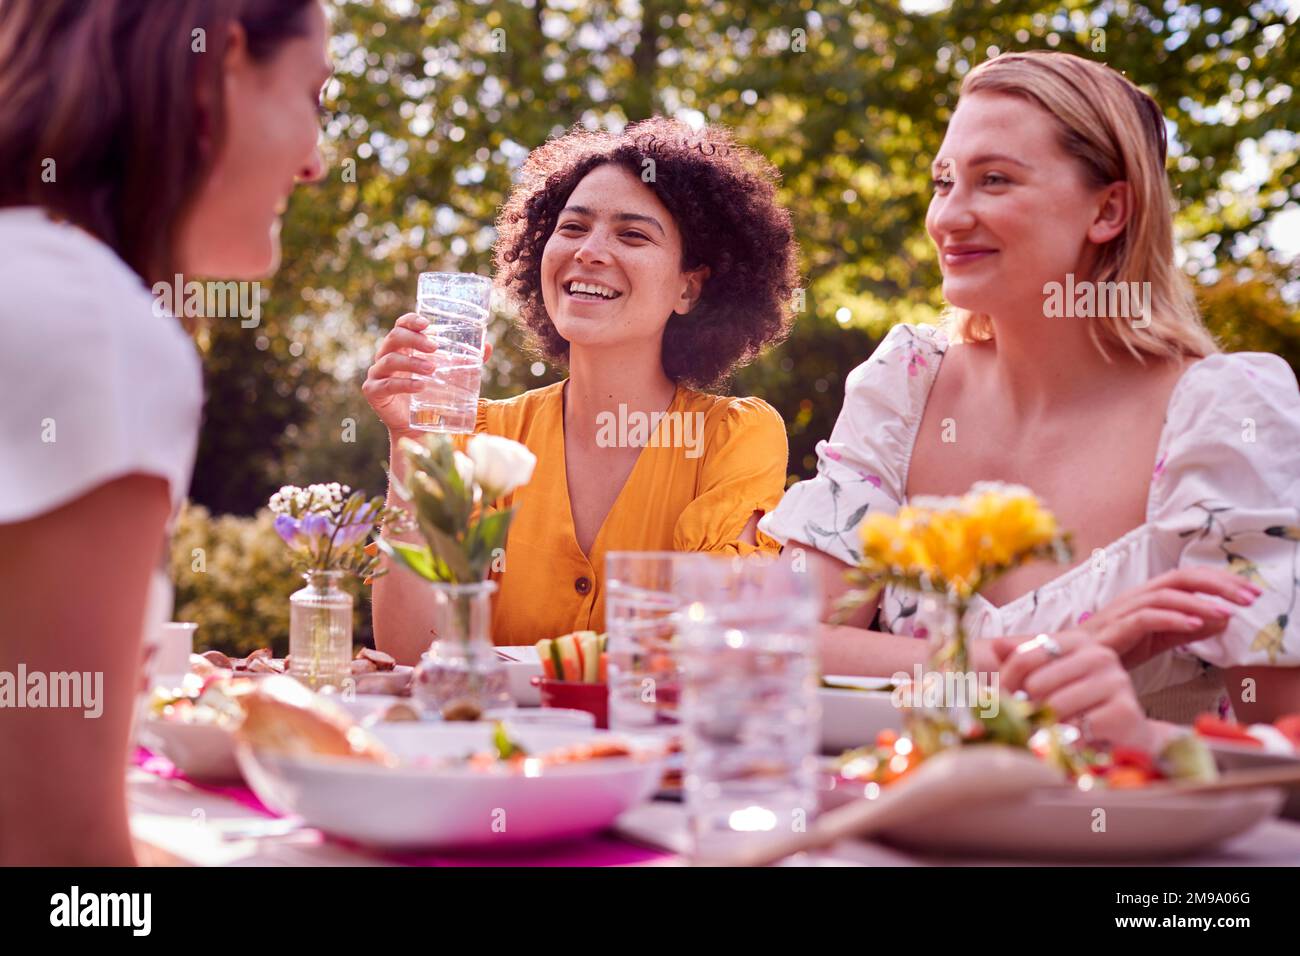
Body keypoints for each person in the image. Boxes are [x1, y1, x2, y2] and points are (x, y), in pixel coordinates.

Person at [758, 50, 1300, 736]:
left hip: (1138, 831)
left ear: (1109, 209)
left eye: (994, 180)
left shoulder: (1224, 411)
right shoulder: (907, 384)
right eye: (944, 181)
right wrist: (1021, 661)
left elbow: (1279, 727)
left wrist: (1133, 733)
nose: (948, 217)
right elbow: (783, 645)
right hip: (893, 819)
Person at [0, 0, 330, 864]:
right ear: (219, 65)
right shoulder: (92, 324)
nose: (317, 163)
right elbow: (60, 863)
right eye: (313, 95)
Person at [365, 118, 798, 657]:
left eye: (632, 234)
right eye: (573, 227)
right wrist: (409, 443)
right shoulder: (474, 438)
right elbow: (409, 656)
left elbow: (713, 646)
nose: (589, 250)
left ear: (688, 288)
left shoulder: (734, 438)